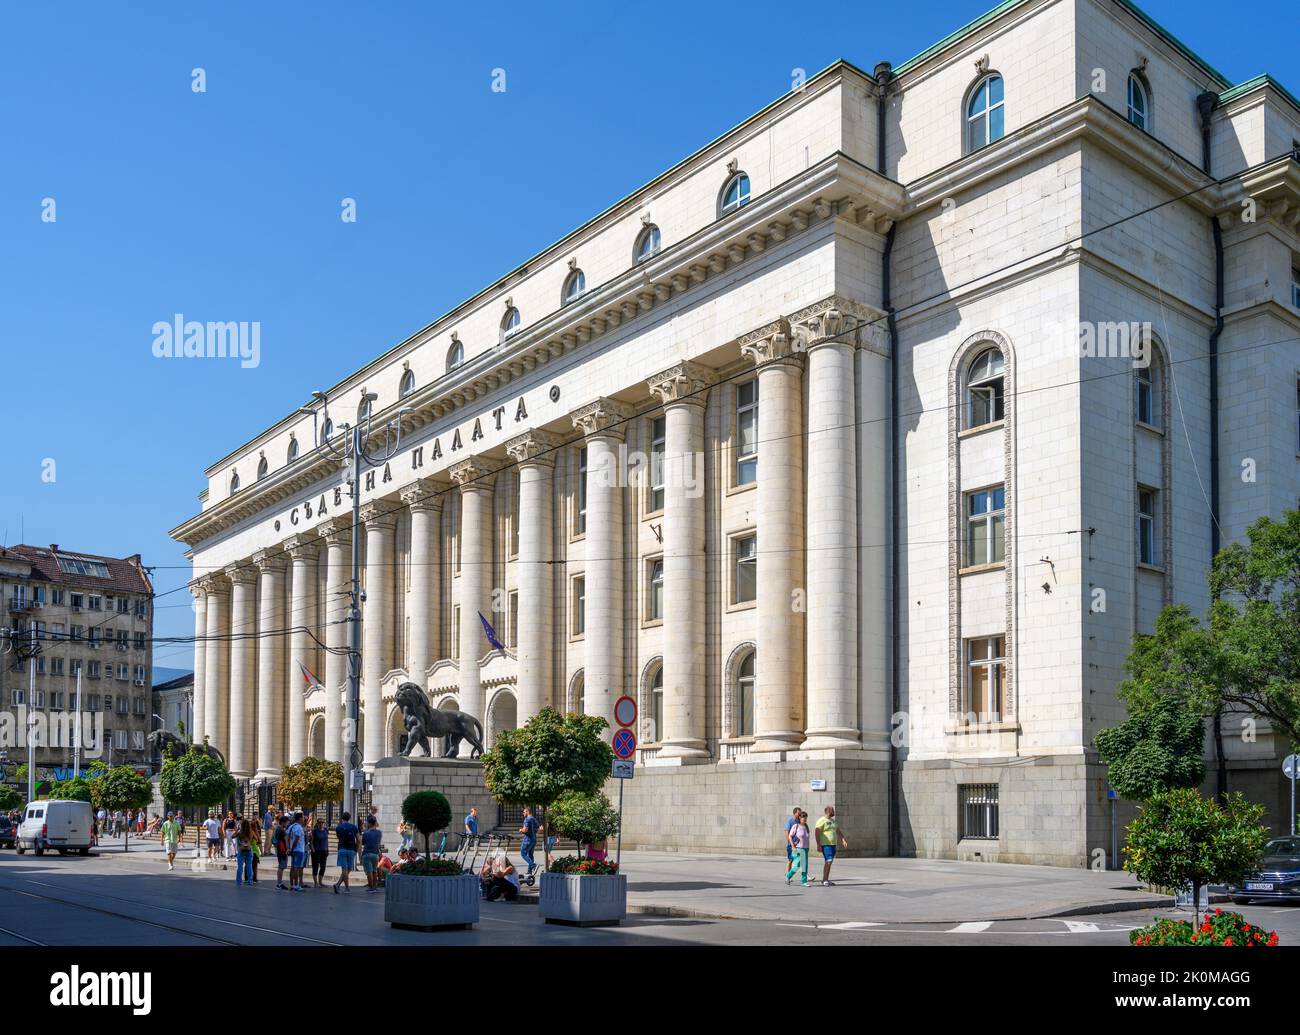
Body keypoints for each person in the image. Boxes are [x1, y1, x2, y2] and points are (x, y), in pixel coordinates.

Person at [814, 806, 849, 887]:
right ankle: (824, 880)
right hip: (826, 844)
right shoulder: (821, 820)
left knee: (830, 862)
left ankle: (826, 879)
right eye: (832, 811)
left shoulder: (833, 821)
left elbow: (838, 831)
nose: (833, 812)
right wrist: (818, 844)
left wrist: (843, 840)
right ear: (827, 811)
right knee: (828, 861)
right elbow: (817, 832)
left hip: (833, 844)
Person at [333, 811, 359, 894]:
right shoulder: (354, 827)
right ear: (349, 818)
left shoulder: (338, 827)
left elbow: (338, 837)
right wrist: (356, 850)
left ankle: (338, 885)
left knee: (344, 869)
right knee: (349, 869)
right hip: (351, 849)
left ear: (342, 818)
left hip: (342, 849)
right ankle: (346, 887)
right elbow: (358, 839)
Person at [785, 810, 810, 887]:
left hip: (805, 849)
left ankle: (804, 882)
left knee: (804, 866)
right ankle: (788, 876)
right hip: (798, 848)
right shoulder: (795, 826)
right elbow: (790, 836)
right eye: (803, 818)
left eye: (806, 818)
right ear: (799, 817)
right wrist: (792, 846)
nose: (805, 819)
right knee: (797, 865)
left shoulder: (806, 827)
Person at [361, 815, 383, 892]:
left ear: (369, 823)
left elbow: (363, 843)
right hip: (376, 854)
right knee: (374, 870)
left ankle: (370, 887)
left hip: (367, 853)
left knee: (369, 871)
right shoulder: (379, 833)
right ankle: (375, 887)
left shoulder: (366, 833)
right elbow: (378, 842)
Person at [287, 812, 307, 892]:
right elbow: (296, 839)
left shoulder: (291, 826)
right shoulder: (299, 827)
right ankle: (296, 885)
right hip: (298, 850)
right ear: (299, 818)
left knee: (292, 867)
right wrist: (291, 848)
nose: (303, 819)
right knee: (296, 868)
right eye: (302, 817)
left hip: (293, 850)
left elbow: (287, 837)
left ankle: (292, 884)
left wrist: (289, 847)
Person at [518, 806, 539, 877]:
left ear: (527, 812)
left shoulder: (527, 819)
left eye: (524, 812)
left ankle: (533, 865)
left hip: (528, 840)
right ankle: (529, 872)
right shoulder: (533, 819)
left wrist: (521, 830)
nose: (523, 813)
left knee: (523, 853)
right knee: (530, 855)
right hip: (534, 839)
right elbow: (538, 828)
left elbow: (525, 830)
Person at [271, 813, 290, 890]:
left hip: (279, 849)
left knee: (281, 866)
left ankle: (279, 883)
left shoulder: (278, 828)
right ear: (283, 822)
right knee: (281, 866)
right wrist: (288, 849)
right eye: (287, 822)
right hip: (282, 850)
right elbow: (286, 840)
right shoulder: (281, 829)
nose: (287, 823)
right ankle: (279, 883)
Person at [310, 819, 329, 888]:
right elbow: (311, 841)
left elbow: (326, 840)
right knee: (315, 867)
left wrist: (327, 849)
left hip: (324, 851)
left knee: (323, 867)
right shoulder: (314, 831)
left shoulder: (326, 830)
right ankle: (315, 883)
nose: (321, 824)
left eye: (322, 822)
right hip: (316, 851)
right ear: (317, 824)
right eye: (319, 823)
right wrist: (313, 849)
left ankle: (320, 882)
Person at [235, 819, 254, 885]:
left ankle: (239, 881)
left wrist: (236, 831)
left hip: (241, 850)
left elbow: (232, 836)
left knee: (240, 866)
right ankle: (250, 881)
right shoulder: (251, 832)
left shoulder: (240, 832)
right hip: (249, 849)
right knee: (249, 866)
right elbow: (254, 840)